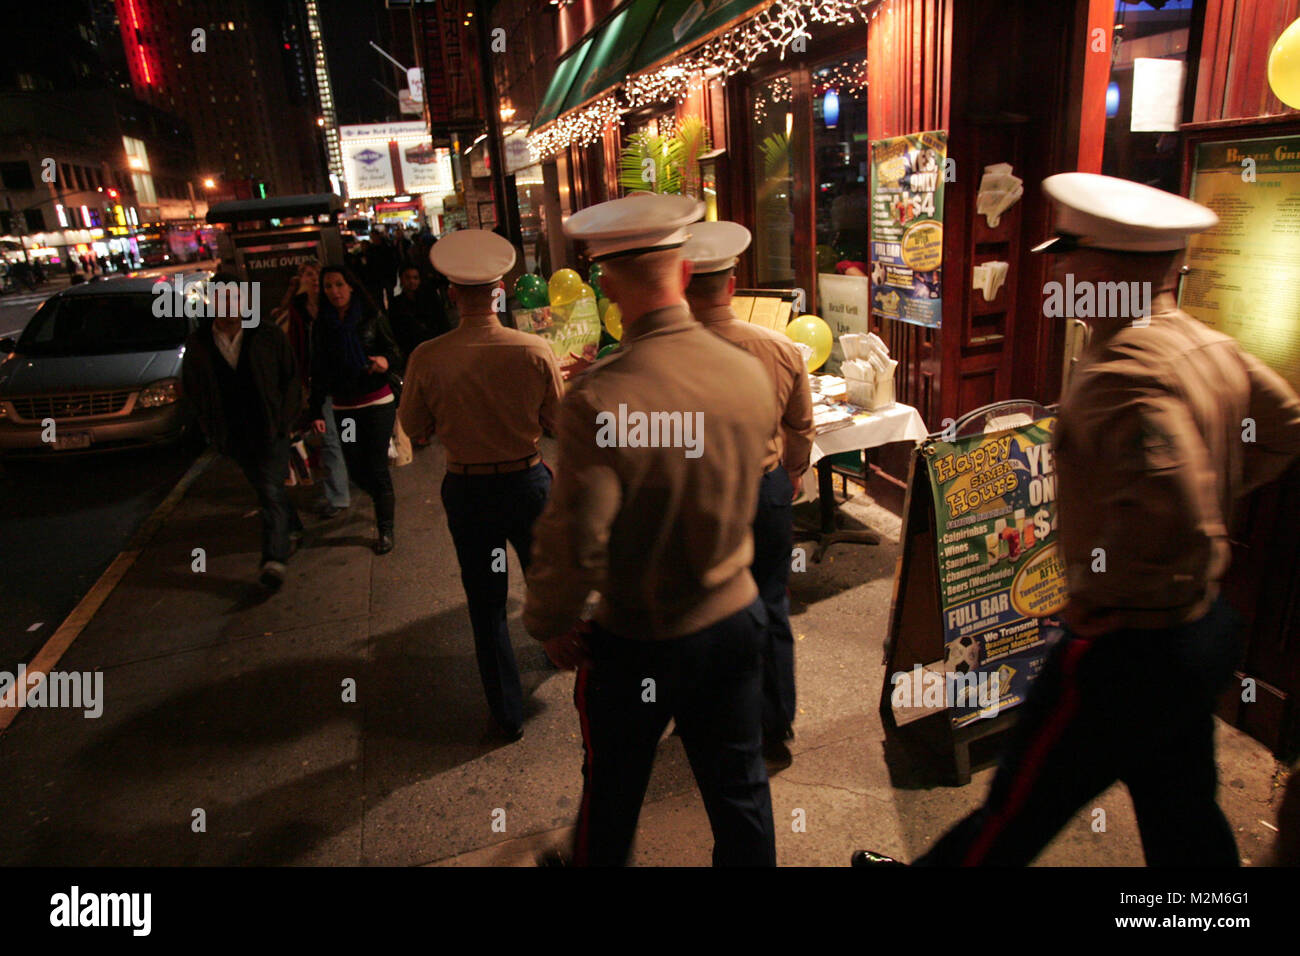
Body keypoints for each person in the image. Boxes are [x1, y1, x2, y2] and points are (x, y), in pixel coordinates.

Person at [855, 173, 1300, 867]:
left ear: (1104, 267)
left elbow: (1173, 497)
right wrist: (1215, 510)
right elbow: (1283, 426)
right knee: (1180, 807)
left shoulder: (1124, 372)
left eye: (1067, 253)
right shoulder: (1204, 344)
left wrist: (1116, 592)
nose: (1056, 268)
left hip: (1127, 642)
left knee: (1017, 814)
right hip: (1198, 627)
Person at [523, 194, 781, 866]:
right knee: (740, 792)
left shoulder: (604, 395)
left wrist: (548, 618)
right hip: (734, 615)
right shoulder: (746, 371)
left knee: (611, 795)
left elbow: (578, 535)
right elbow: (755, 468)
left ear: (608, 286)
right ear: (686, 271)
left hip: (644, 635)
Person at [399, 230, 564, 742]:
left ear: (451, 294)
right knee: (549, 581)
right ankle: (564, 656)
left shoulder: (428, 357)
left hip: (468, 489)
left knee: (486, 602)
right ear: (501, 290)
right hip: (528, 480)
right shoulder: (534, 349)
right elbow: (559, 422)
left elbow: (413, 425)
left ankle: (506, 711)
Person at [681, 220, 814, 770]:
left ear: (685, 286)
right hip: (766, 492)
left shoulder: (670, 354)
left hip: (702, 500)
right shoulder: (780, 347)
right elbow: (801, 427)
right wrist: (793, 471)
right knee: (772, 603)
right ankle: (776, 720)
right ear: (732, 286)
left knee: (705, 609)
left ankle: (716, 717)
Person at [181, 271, 304, 589]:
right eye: (221, 297)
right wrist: (210, 430)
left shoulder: (266, 333)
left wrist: (285, 419)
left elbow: (291, 378)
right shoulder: (200, 343)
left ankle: (274, 559)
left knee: (269, 490)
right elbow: (194, 391)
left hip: (270, 427)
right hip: (233, 434)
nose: (228, 304)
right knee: (268, 488)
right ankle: (293, 526)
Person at [308, 266, 402, 555]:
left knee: (375, 464)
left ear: (350, 286)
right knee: (355, 465)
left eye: (339, 284)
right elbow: (318, 369)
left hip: (376, 403)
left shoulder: (372, 317)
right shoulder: (322, 326)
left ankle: (386, 528)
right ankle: (383, 498)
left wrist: (385, 362)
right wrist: (315, 410)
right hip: (344, 408)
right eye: (328, 286)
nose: (335, 291)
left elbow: (395, 352)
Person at [280, 260, 351, 519]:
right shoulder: (298, 308)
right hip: (317, 383)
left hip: (343, 380)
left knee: (346, 437)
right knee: (330, 439)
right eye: (308, 275)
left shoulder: (333, 304)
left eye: (316, 275)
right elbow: (291, 340)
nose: (313, 280)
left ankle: (348, 484)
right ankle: (339, 494)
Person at [388, 264, 450, 366]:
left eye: (415, 278)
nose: (412, 281)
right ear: (401, 279)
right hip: (414, 350)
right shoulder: (396, 303)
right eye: (407, 277)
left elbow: (442, 320)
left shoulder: (430, 298)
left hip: (436, 344)